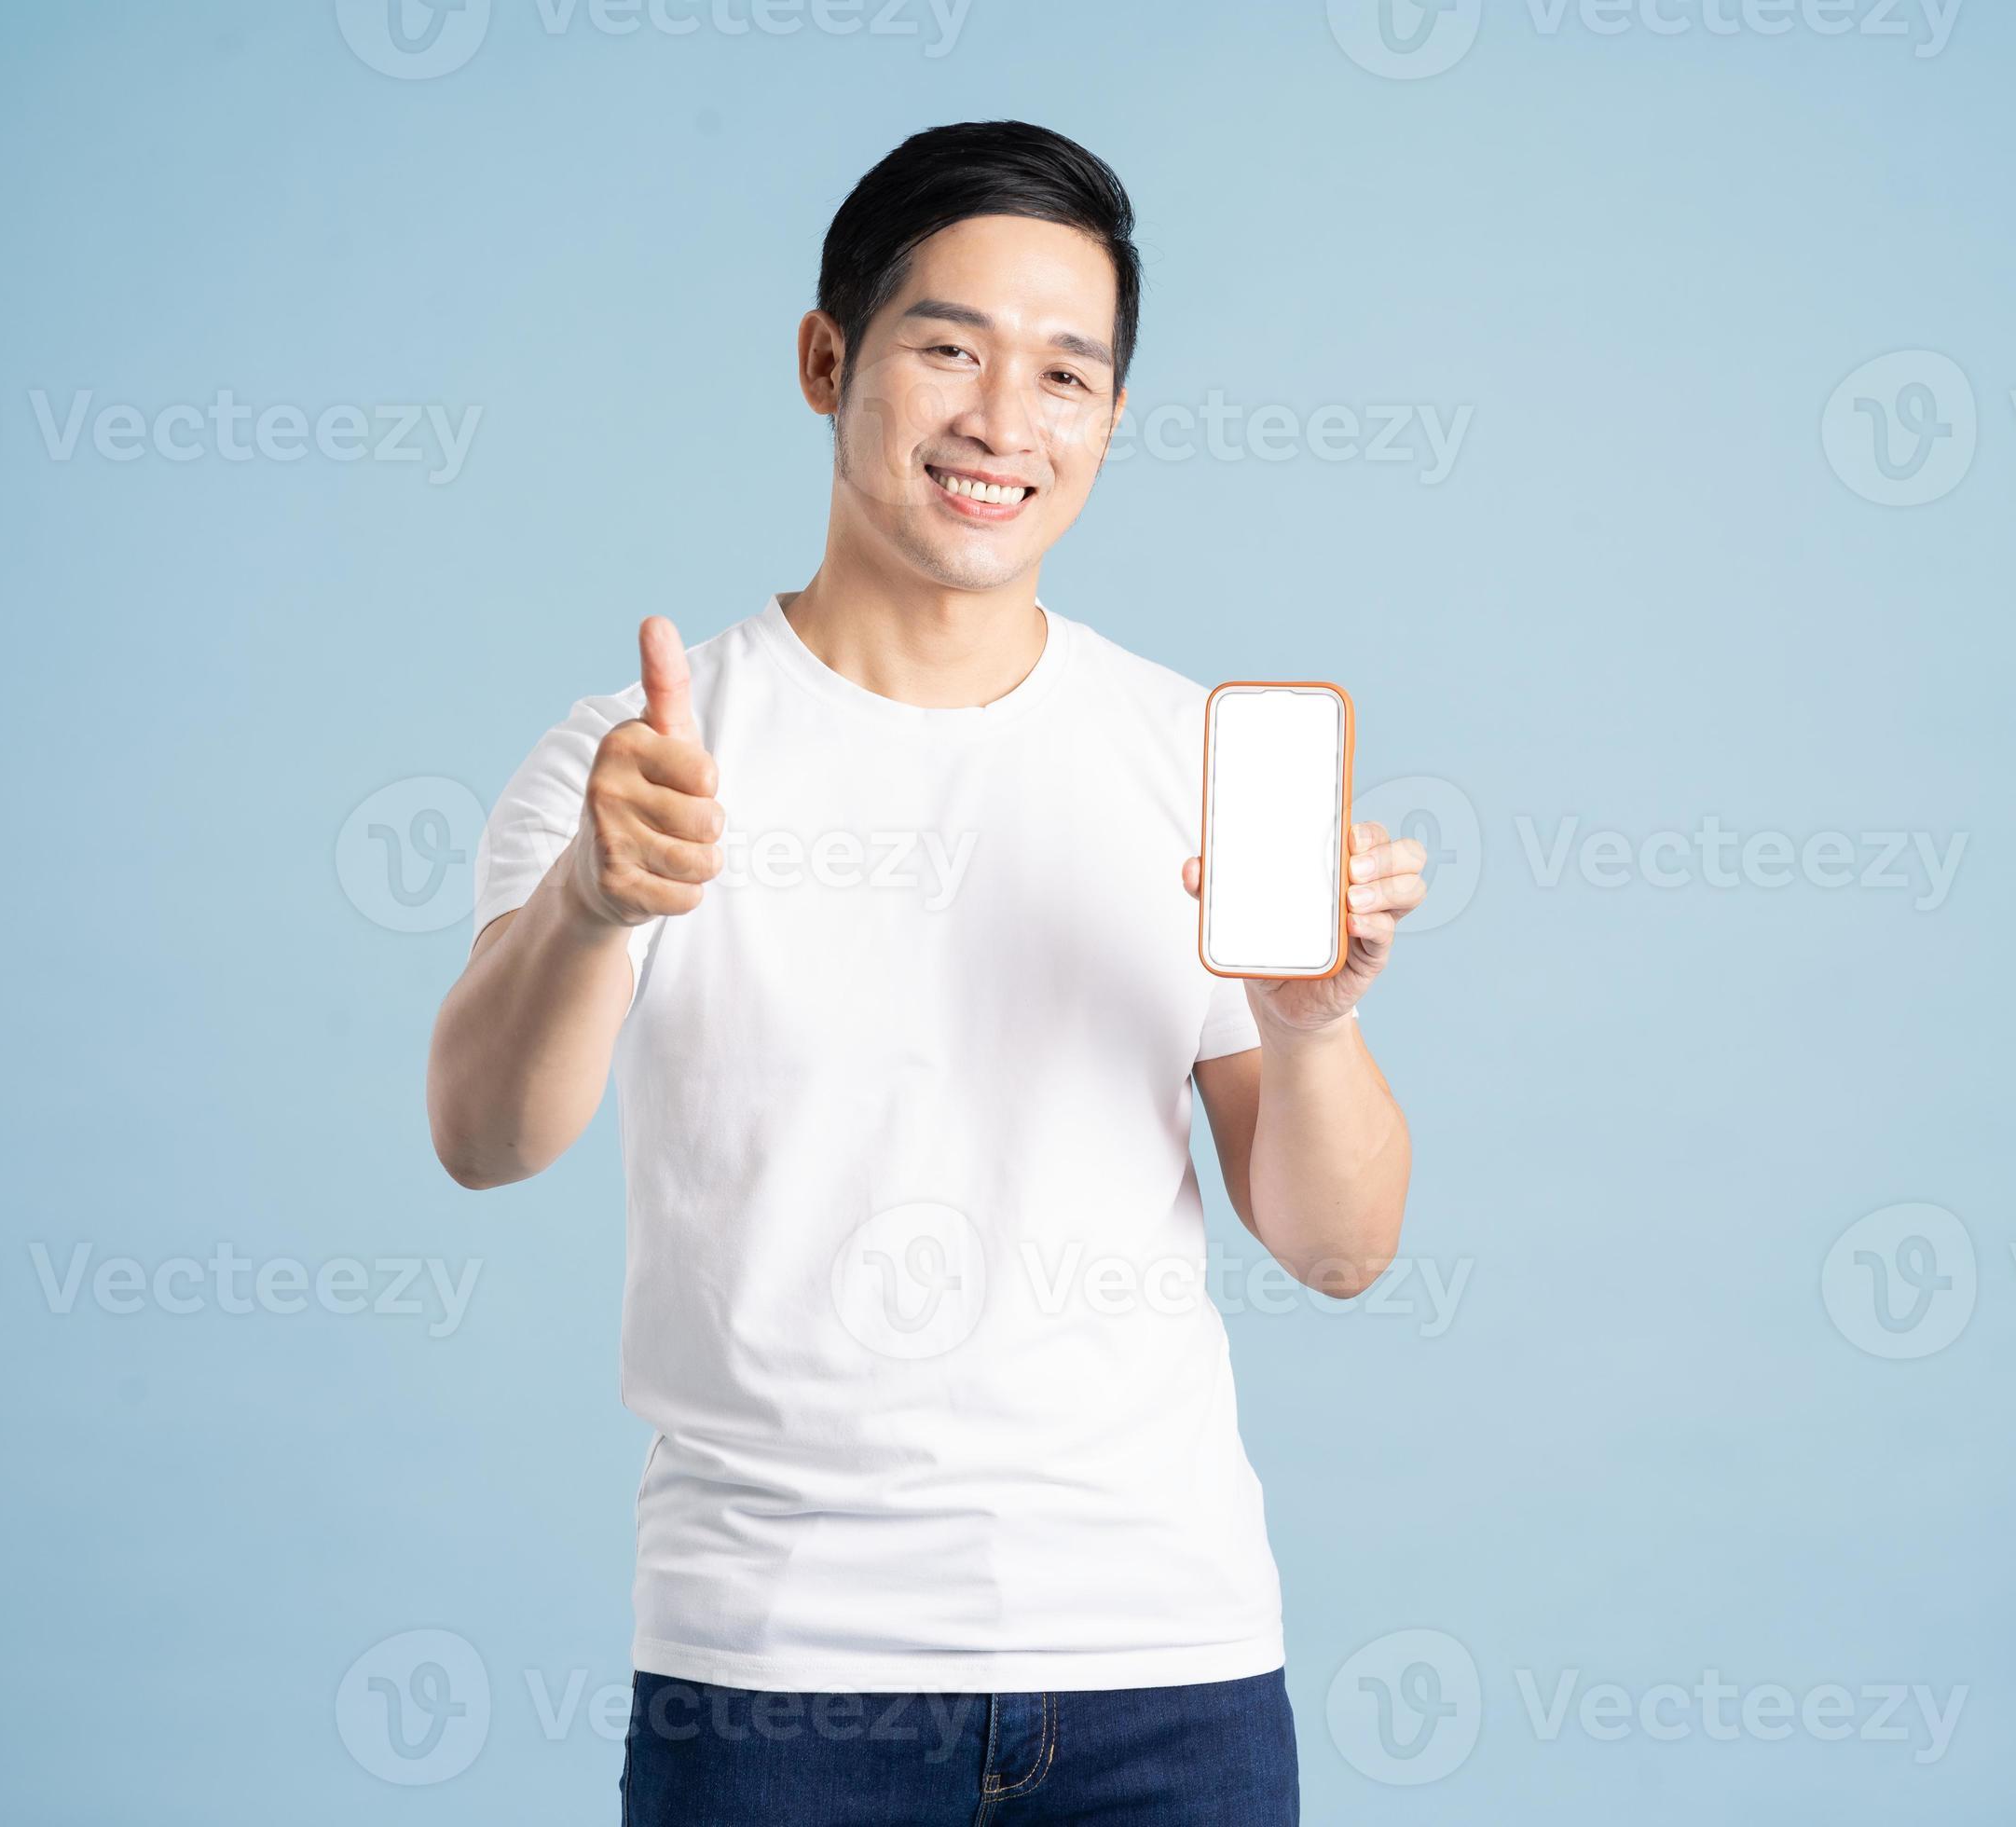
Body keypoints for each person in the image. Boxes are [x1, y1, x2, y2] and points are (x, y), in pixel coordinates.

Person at [427, 119, 1429, 1826]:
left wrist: (1309, 1023)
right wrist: (599, 900)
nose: (1000, 421)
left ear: (1112, 421)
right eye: (948, 347)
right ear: (828, 360)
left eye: (1064, 374)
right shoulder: (643, 758)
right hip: (773, 1682)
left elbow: (1339, 1249)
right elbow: (483, 1134)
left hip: (1164, 1676)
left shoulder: (1184, 753)